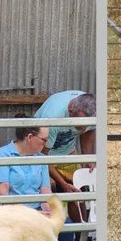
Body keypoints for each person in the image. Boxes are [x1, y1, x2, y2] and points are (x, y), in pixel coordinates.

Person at [34, 90, 96, 226]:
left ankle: (82, 234)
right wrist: (62, 183)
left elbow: (89, 131)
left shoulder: (90, 113)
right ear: (71, 109)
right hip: (43, 153)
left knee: (77, 193)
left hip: (67, 151)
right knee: (51, 189)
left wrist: (88, 159)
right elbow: (42, 157)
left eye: (84, 125)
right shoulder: (53, 117)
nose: (81, 129)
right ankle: (55, 233)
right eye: (78, 125)